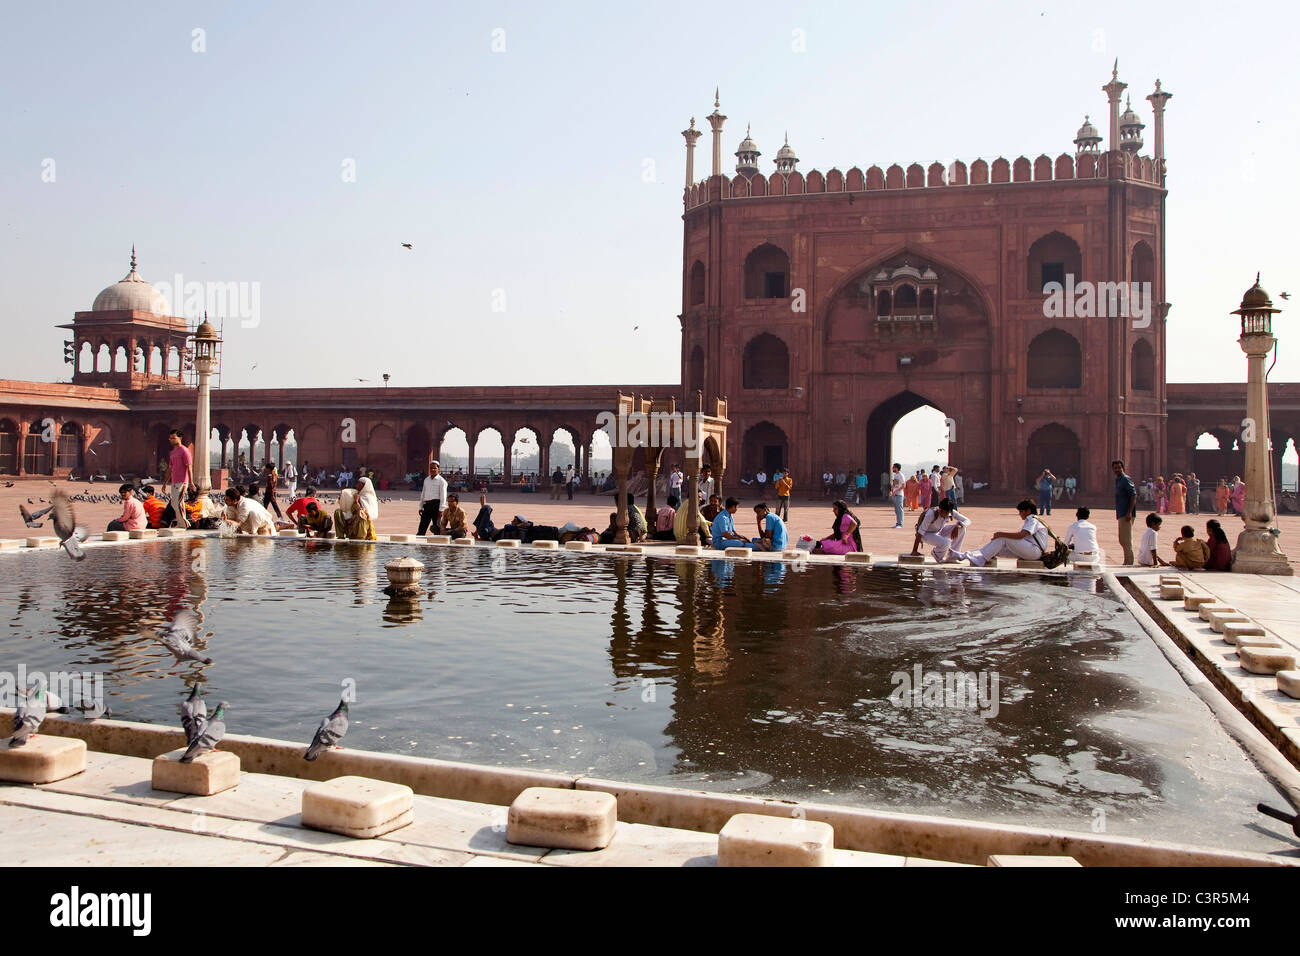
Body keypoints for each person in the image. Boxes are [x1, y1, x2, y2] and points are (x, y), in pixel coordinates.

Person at [959, 500, 1049, 567]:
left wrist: (1001, 534)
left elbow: (1021, 535)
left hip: (1035, 552)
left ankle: (980, 560)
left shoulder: (1033, 520)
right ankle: (972, 555)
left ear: (1028, 511)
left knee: (1003, 539)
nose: (1020, 514)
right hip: (1032, 550)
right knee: (997, 549)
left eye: (1021, 511)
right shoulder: (1033, 520)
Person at [911, 497, 969, 563]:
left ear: (949, 512)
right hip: (926, 535)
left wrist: (958, 526)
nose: (942, 514)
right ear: (939, 508)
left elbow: (967, 520)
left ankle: (952, 557)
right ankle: (937, 554)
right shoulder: (931, 514)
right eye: (941, 511)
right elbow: (920, 532)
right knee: (946, 543)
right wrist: (914, 550)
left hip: (939, 531)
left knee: (962, 529)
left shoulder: (951, 512)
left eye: (945, 513)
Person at [166, 429, 193, 529]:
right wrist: (165, 483)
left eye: (174, 438)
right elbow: (170, 469)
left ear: (180, 438)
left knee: (178, 502)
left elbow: (189, 467)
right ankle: (180, 523)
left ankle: (184, 523)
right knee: (174, 503)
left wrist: (191, 482)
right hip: (174, 481)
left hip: (182, 481)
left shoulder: (185, 451)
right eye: (170, 438)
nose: (172, 440)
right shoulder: (173, 452)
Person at [1113, 459, 1138, 565]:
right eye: (1115, 468)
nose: (1117, 470)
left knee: (1126, 540)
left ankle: (1129, 563)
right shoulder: (1119, 480)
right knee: (1122, 539)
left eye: (1119, 467)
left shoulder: (1125, 479)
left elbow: (1133, 495)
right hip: (1121, 512)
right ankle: (1127, 561)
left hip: (1126, 513)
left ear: (1123, 468)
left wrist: (1129, 512)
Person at [417, 460, 448, 536]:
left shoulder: (442, 481)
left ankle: (437, 544)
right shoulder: (426, 480)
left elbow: (443, 496)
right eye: (431, 468)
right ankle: (419, 542)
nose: (432, 470)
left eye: (434, 468)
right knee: (422, 526)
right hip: (427, 505)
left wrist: (441, 509)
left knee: (436, 527)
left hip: (436, 505)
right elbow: (423, 493)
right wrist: (421, 506)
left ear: (438, 469)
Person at [353, 476, 380, 540]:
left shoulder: (368, 496)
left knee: (362, 514)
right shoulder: (359, 494)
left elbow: (364, 512)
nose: (356, 485)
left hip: (364, 521)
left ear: (363, 485)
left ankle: (361, 536)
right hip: (355, 518)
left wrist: (356, 502)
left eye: (358, 484)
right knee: (338, 513)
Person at [888, 463, 905, 528]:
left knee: (899, 509)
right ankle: (898, 523)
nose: (892, 468)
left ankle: (900, 524)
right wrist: (892, 491)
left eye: (893, 467)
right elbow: (894, 484)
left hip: (899, 495)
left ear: (897, 468)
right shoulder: (895, 475)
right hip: (895, 494)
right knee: (896, 510)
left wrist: (896, 491)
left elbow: (904, 485)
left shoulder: (901, 475)